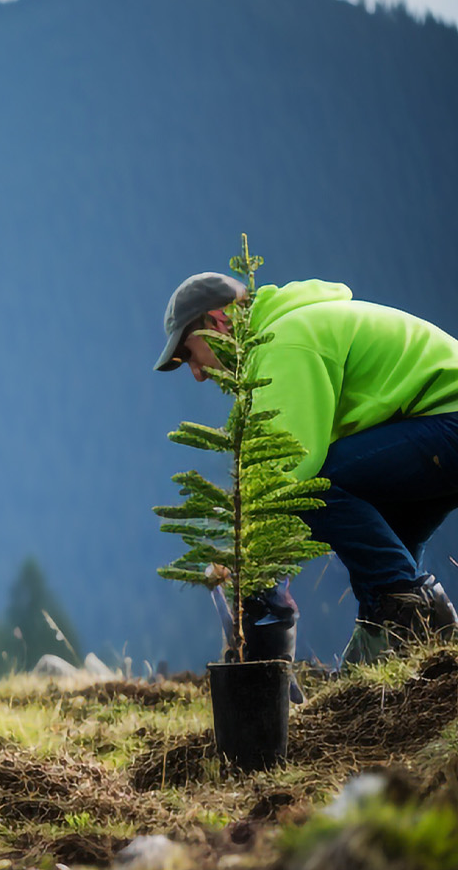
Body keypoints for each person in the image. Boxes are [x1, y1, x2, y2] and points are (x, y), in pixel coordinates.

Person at [156, 272, 458, 663]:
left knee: (313, 490)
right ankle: (386, 637)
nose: (196, 373)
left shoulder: (285, 342)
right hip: (433, 426)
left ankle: (414, 612)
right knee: (383, 548)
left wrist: (251, 564)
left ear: (217, 322)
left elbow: (288, 472)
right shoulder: (284, 334)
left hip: (446, 423)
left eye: (188, 354)